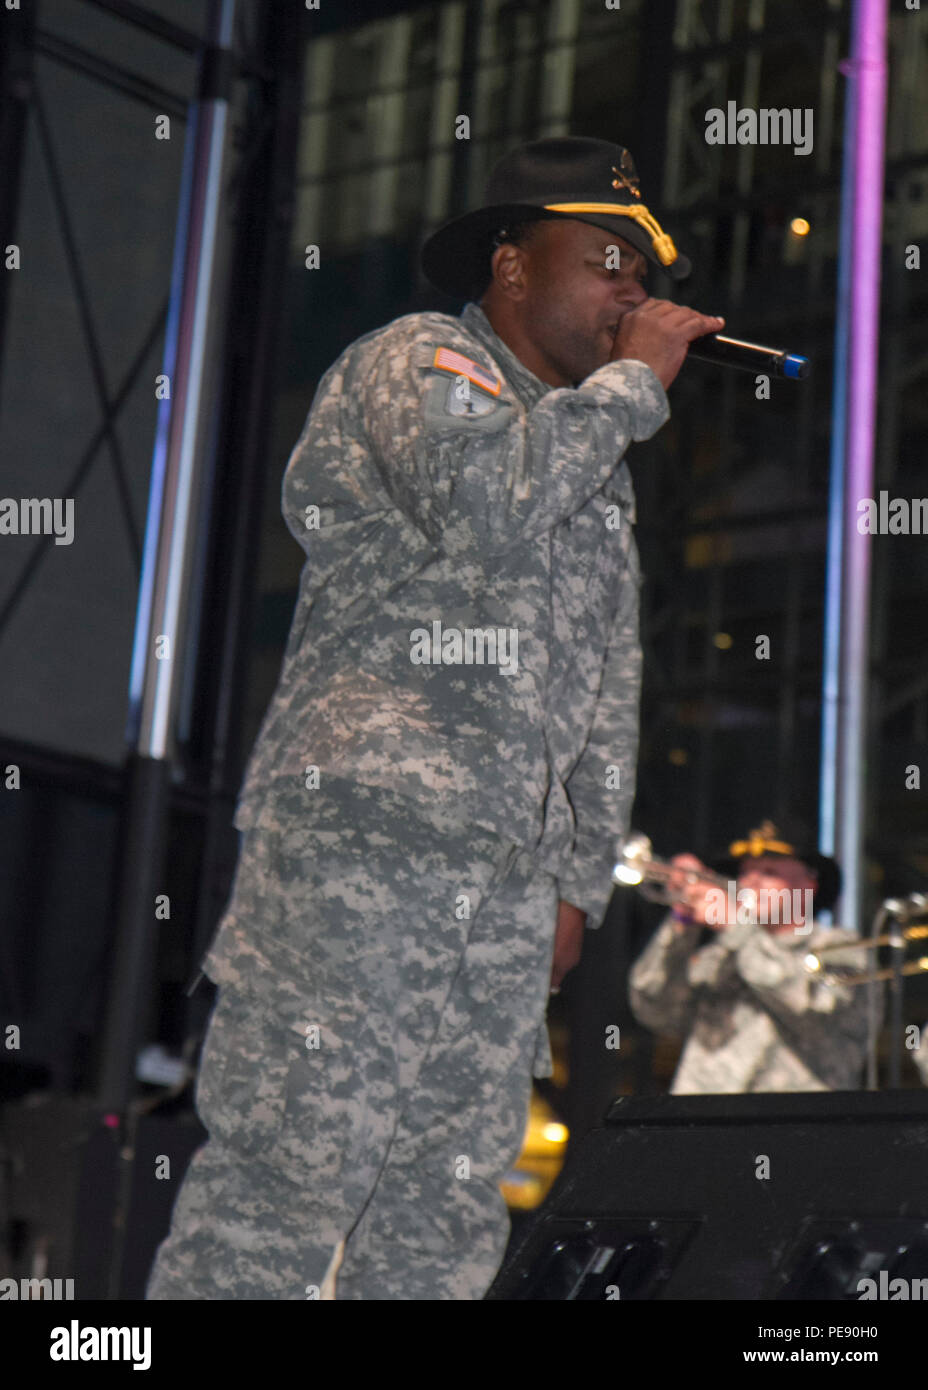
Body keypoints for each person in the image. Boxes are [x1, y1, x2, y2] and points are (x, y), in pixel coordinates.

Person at [146, 136, 723, 1301]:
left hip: (506, 885)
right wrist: (629, 389)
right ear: (511, 264)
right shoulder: (421, 359)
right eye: (605, 257)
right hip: (365, 838)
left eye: (644, 269)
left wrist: (574, 880)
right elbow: (482, 506)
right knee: (291, 1178)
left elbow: (605, 690)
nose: (633, 290)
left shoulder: (592, 463)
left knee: (445, 1202)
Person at [628, 820, 876, 1094]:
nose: (751, 882)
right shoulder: (720, 954)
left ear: (810, 882)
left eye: (769, 872)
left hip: (796, 1125)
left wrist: (735, 925)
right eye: (745, 872)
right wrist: (679, 925)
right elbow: (656, 1011)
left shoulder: (841, 947)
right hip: (703, 1124)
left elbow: (813, 1008)